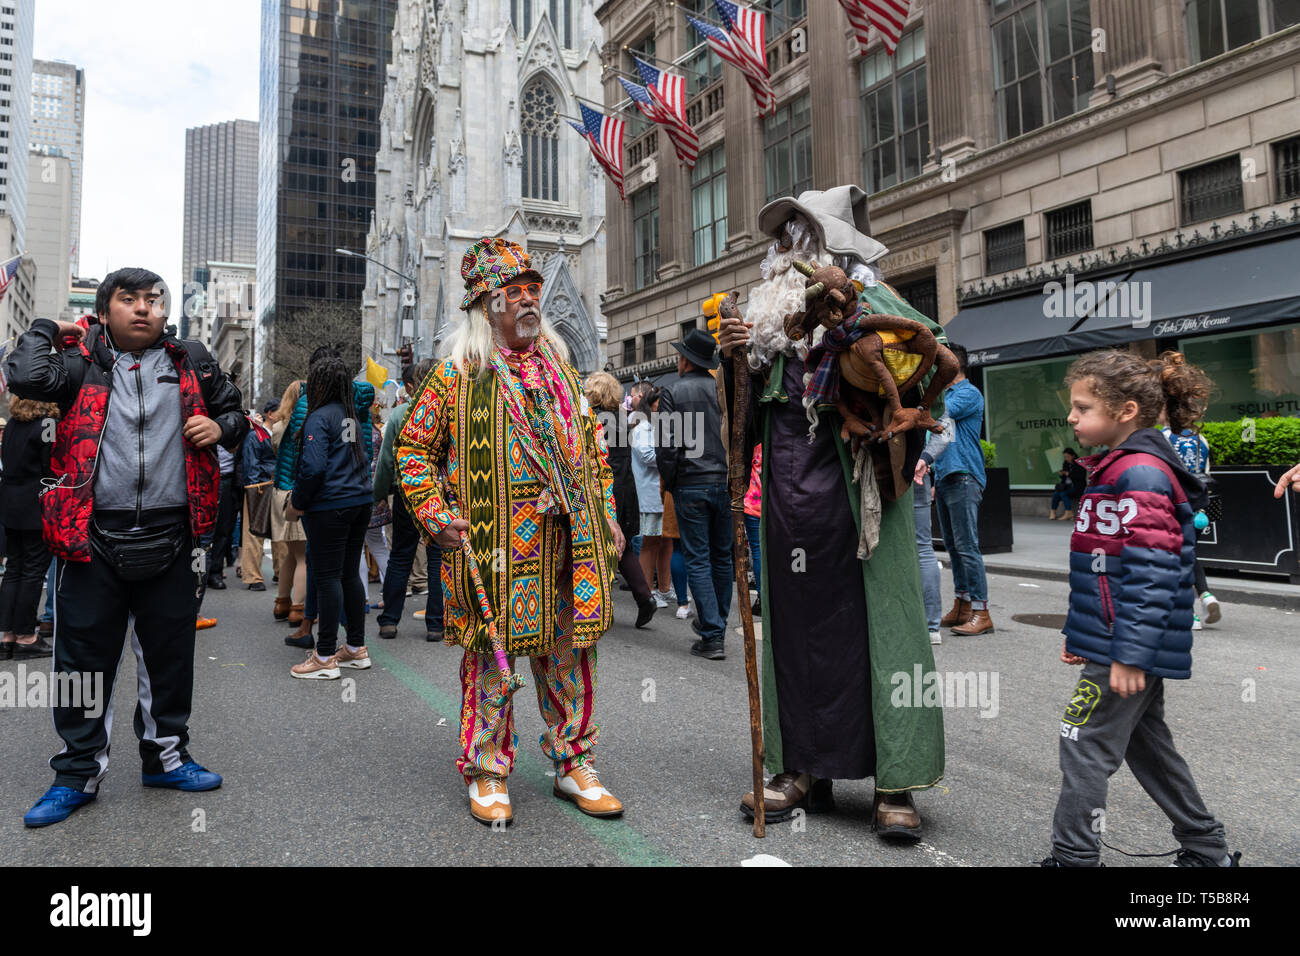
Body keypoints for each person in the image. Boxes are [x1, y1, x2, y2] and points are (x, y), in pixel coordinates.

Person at [717, 185, 945, 839]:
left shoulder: (878, 303)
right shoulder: (762, 321)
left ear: (834, 246)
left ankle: (894, 781)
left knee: (882, 632)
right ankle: (801, 768)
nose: (785, 248)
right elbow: (742, 418)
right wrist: (735, 359)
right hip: (789, 501)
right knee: (797, 634)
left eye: (800, 232)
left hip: (859, 493)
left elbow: (927, 364)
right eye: (781, 235)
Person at [6, 267, 249, 827]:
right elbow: (22, 378)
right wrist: (45, 325)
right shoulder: (76, 362)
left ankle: (165, 758)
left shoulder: (192, 360)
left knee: (167, 660)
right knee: (81, 664)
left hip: (173, 536)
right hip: (88, 537)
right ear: (105, 308)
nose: (143, 308)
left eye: (153, 300)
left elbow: (234, 412)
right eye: (129, 299)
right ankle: (76, 774)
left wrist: (220, 426)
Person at [395, 236, 624, 826]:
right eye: (514, 293)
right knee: (492, 661)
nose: (528, 302)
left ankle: (574, 762)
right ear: (487, 307)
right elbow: (413, 451)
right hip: (493, 547)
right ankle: (489, 769)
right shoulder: (456, 377)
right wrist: (437, 516)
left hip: (566, 547)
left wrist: (609, 518)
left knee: (570, 655)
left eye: (532, 292)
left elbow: (594, 455)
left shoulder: (564, 375)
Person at [1043, 349, 1239, 868]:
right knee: (1148, 747)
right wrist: (1078, 635)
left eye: (1083, 408)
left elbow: (1154, 573)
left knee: (1081, 742)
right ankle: (1206, 850)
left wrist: (1127, 652)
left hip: (1124, 645)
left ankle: (1074, 858)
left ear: (1126, 410)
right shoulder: (1118, 468)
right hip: (1114, 639)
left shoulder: (1141, 473)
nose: (1072, 417)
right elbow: (1102, 566)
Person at [284, 356, 374, 679]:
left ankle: (324, 656)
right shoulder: (352, 415)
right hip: (360, 501)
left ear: (319, 384)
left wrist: (298, 500)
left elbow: (314, 467)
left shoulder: (318, 418)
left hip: (329, 506)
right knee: (349, 573)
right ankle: (355, 647)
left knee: (327, 577)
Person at [657, 329, 732, 660]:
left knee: (699, 558)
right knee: (721, 557)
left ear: (686, 360)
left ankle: (713, 632)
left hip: (691, 483)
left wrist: (671, 482)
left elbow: (667, 446)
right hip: (726, 481)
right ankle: (715, 625)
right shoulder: (723, 389)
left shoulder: (674, 391)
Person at [373, 358, 444, 641]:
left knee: (401, 555)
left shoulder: (401, 413)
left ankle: (389, 620)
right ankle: (436, 623)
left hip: (408, 492)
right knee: (438, 557)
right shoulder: (451, 411)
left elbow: (386, 461)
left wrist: (379, 493)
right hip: (440, 493)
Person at [586, 371, 656, 629]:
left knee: (593, 546)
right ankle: (644, 596)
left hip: (604, 487)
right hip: (627, 487)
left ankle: (594, 608)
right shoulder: (624, 419)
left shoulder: (591, 419)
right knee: (621, 545)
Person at [934, 343, 994, 636]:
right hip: (945, 475)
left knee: (967, 547)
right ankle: (963, 605)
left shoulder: (968, 394)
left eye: (938, 360)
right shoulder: (947, 394)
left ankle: (982, 612)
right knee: (954, 546)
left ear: (952, 363)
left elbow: (937, 413)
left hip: (964, 474)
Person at [0, 397, 59, 660]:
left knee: (14, 568)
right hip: (36, 502)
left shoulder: (12, 423)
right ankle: (26, 637)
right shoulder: (48, 423)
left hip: (10, 501)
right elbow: (51, 467)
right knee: (33, 571)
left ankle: (7, 635)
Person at [1162, 423, 1220, 629]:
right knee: (1191, 553)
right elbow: (1206, 472)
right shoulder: (1200, 439)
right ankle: (1205, 594)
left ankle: (1190, 613)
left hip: (1175, 507)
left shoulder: (1164, 437)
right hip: (1199, 508)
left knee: (1175, 559)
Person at [629, 383, 673, 612]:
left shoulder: (659, 427)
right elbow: (647, 456)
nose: (662, 409)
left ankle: (665, 587)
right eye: (658, 406)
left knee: (666, 541)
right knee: (650, 542)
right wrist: (670, 455)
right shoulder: (641, 428)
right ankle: (647, 591)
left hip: (663, 492)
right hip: (650, 492)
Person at [914, 415, 955, 645]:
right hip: (918, 473)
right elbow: (945, 431)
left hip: (885, 471)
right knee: (923, 549)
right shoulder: (927, 388)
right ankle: (931, 627)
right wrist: (925, 458)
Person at [239, 399, 279, 591]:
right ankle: (253, 576)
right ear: (270, 413)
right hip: (259, 486)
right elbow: (251, 463)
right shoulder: (255, 435)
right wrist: (253, 488)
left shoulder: (278, 433)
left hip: (276, 485)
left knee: (280, 533)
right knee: (253, 532)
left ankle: (280, 571)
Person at [742, 445, 763, 617]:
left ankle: (763, 598)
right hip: (778, 505)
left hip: (753, 502)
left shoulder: (755, 445)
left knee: (758, 551)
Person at [1049, 448, 1086, 521]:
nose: (1066, 458)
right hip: (1067, 486)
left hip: (1077, 487)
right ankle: (1053, 511)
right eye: (1065, 457)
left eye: (1067, 457)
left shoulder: (1079, 464)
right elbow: (1064, 479)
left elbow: (1081, 477)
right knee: (1056, 493)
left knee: (1063, 494)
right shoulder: (1066, 464)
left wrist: (1069, 474)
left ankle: (1068, 512)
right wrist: (1062, 474)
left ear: (1073, 456)